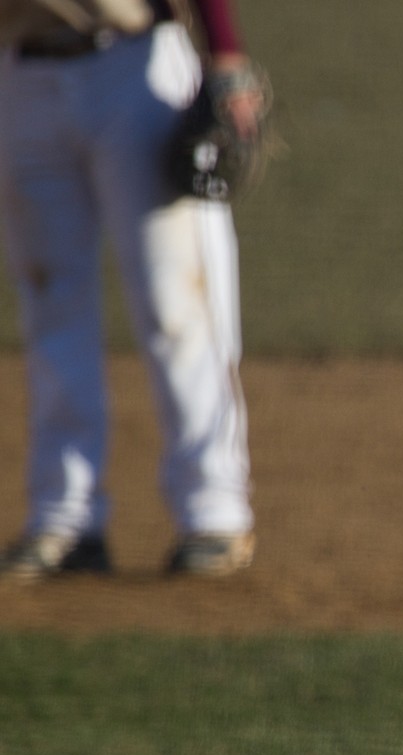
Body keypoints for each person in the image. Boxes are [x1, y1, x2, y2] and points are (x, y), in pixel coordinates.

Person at [0, 0, 260, 582]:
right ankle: (65, 519)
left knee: (177, 302)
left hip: (132, 65)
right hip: (19, 72)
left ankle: (213, 512)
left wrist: (226, 53)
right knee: (49, 300)